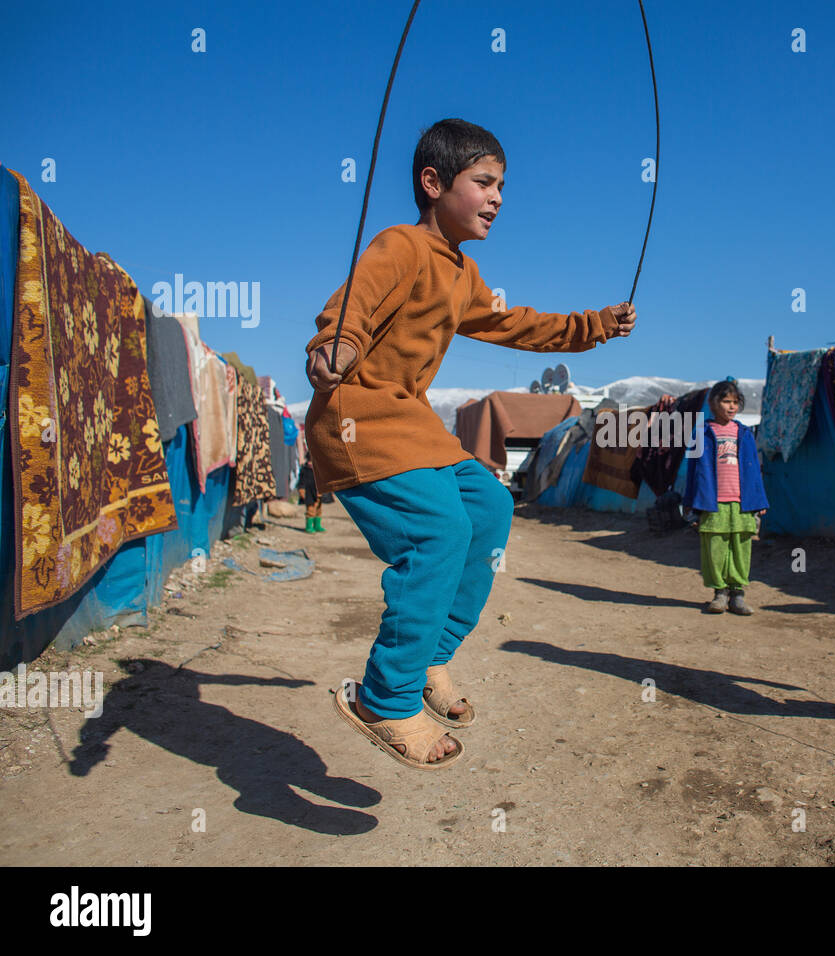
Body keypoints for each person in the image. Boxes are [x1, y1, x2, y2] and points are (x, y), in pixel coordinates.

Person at [304, 119, 635, 769]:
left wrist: (595, 325)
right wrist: (331, 349)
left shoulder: (462, 274)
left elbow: (517, 325)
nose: (498, 198)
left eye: (503, 187)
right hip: (358, 417)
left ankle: (429, 658)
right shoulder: (398, 247)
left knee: (489, 507)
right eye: (484, 182)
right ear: (434, 183)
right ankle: (384, 697)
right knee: (438, 532)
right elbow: (349, 309)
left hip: (412, 420)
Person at [683, 380, 769, 615]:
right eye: (725, 401)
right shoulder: (701, 432)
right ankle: (719, 593)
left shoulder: (744, 432)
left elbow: (753, 469)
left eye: (734, 402)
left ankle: (738, 594)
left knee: (741, 547)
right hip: (712, 501)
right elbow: (693, 470)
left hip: (742, 502)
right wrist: (690, 501)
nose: (731, 407)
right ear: (713, 403)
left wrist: (759, 500)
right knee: (715, 547)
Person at [296, 448, 332, 533]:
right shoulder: (305, 470)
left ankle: (317, 525)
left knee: (318, 510)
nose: (310, 463)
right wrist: (301, 490)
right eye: (310, 461)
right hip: (308, 494)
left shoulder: (319, 470)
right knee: (310, 510)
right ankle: (309, 527)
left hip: (318, 493)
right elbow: (301, 482)